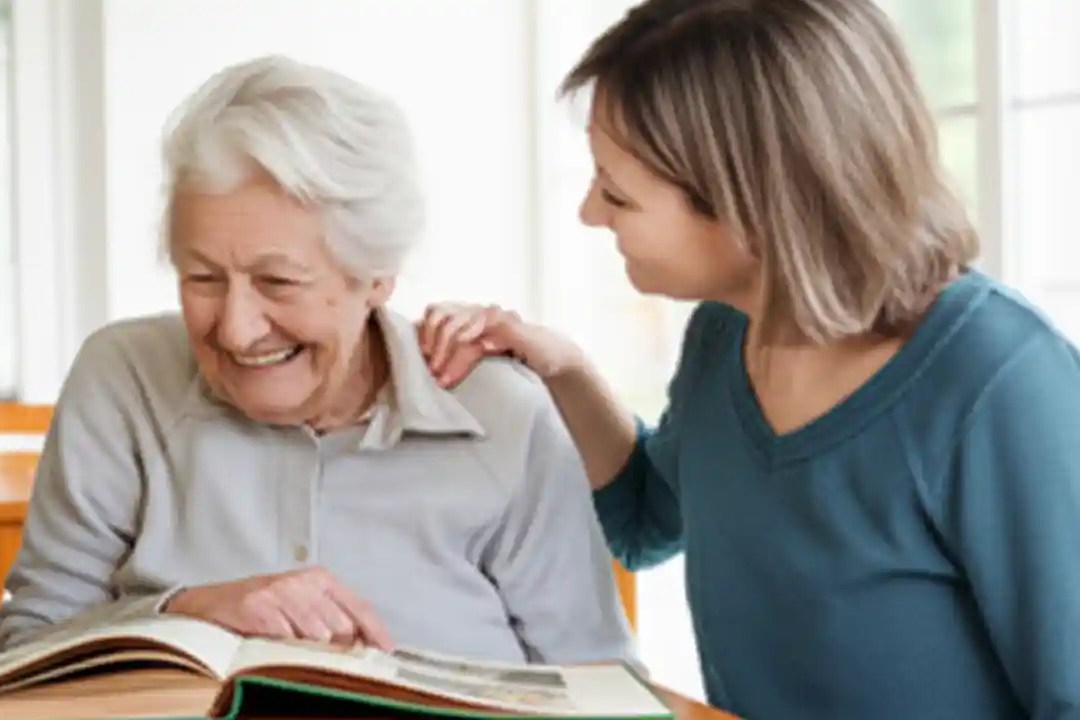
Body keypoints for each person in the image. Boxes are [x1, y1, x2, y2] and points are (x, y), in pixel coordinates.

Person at [418, 1, 1080, 717]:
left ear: (752, 203)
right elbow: (646, 520)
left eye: (617, 193)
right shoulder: (726, 331)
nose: (590, 213)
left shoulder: (1000, 382)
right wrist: (565, 372)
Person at [0, 55, 634, 666]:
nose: (237, 330)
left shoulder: (503, 414)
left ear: (376, 277)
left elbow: (601, 682)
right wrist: (188, 613)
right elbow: (30, 649)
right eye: (203, 279)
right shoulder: (122, 380)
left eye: (278, 282)